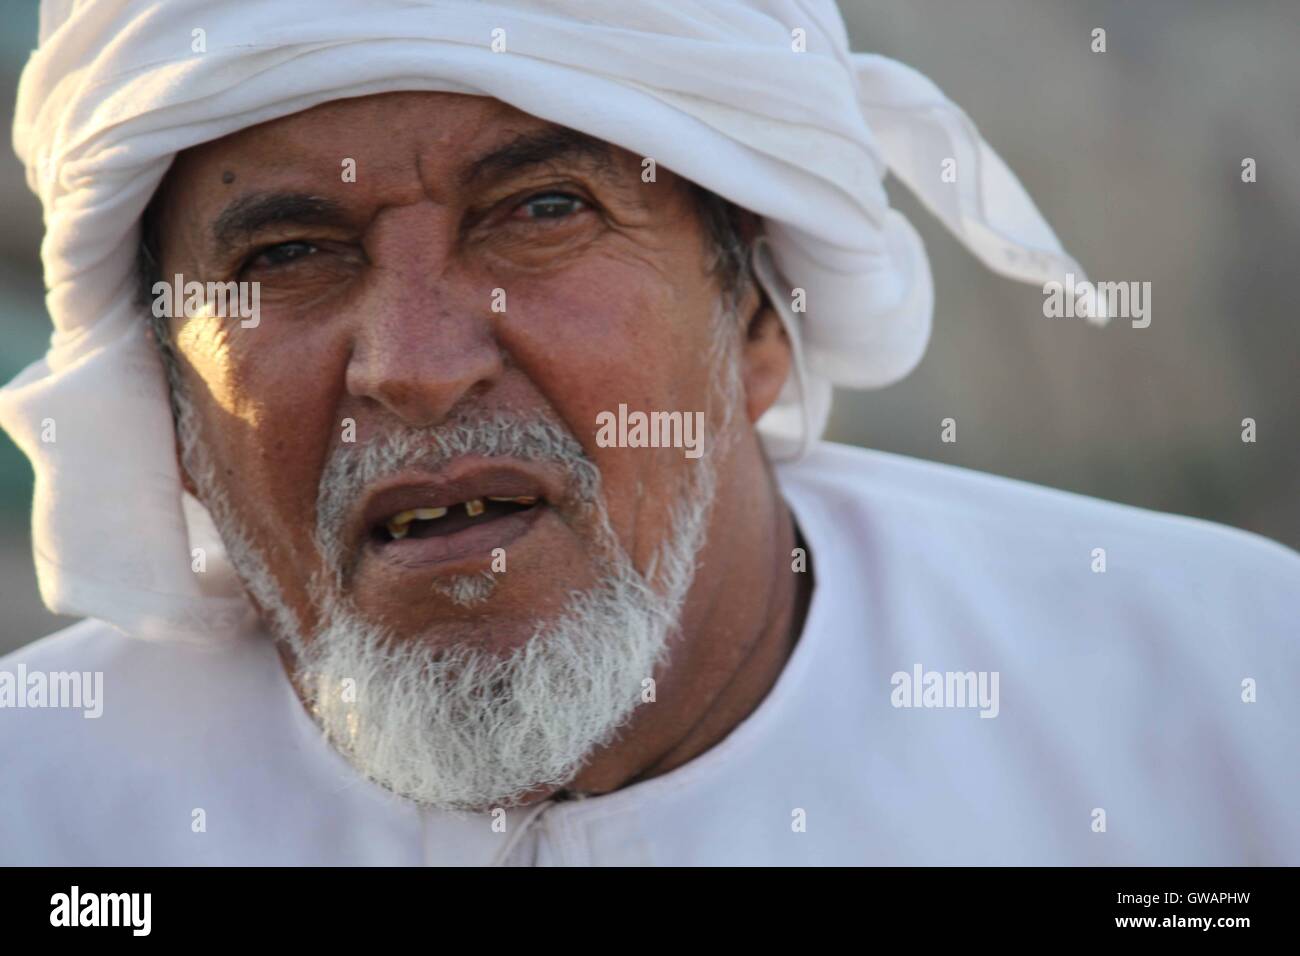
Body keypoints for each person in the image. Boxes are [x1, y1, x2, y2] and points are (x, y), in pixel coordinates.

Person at [1, 0, 1295, 865]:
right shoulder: (42, 802)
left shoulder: (1228, 691)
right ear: (168, 397)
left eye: (542, 211)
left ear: (757, 327)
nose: (416, 370)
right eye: (288, 254)